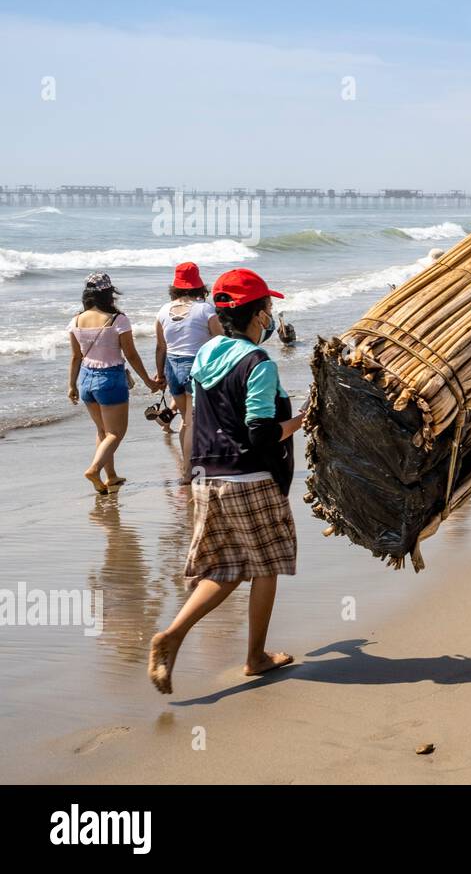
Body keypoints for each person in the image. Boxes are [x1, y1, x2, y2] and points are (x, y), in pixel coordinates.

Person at [148, 268, 303, 695]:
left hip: (206, 476)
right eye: (268, 308)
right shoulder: (258, 363)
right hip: (249, 478)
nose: (271, 316)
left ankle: (172, 635)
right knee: (266, 566)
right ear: (256, 315)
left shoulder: (205, 353)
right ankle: (255, 657)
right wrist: (302, 420)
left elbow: (205, 414)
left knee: (228, 568)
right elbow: (260, 432)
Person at [67, 273, 163, 493]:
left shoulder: (75, 320)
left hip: (85, 380)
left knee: (102, 430)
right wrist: (149, 381)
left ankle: (110, 476)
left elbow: (75, 357)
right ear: (109, 293)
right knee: (115, 433)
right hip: (110, 380)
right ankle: (94, 469)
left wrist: (71, 386)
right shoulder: (117, 319)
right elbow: (131, 354)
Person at [154, 262, 221, 466]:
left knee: (186, 421)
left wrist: (160, 376)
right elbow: (220, 341)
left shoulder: (163, 311)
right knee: (197, 422)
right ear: (199, 286)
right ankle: (190, 470)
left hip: (172, 367)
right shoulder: (205, 309)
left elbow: (161, 348)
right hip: (197, 367)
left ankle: (189, 467)